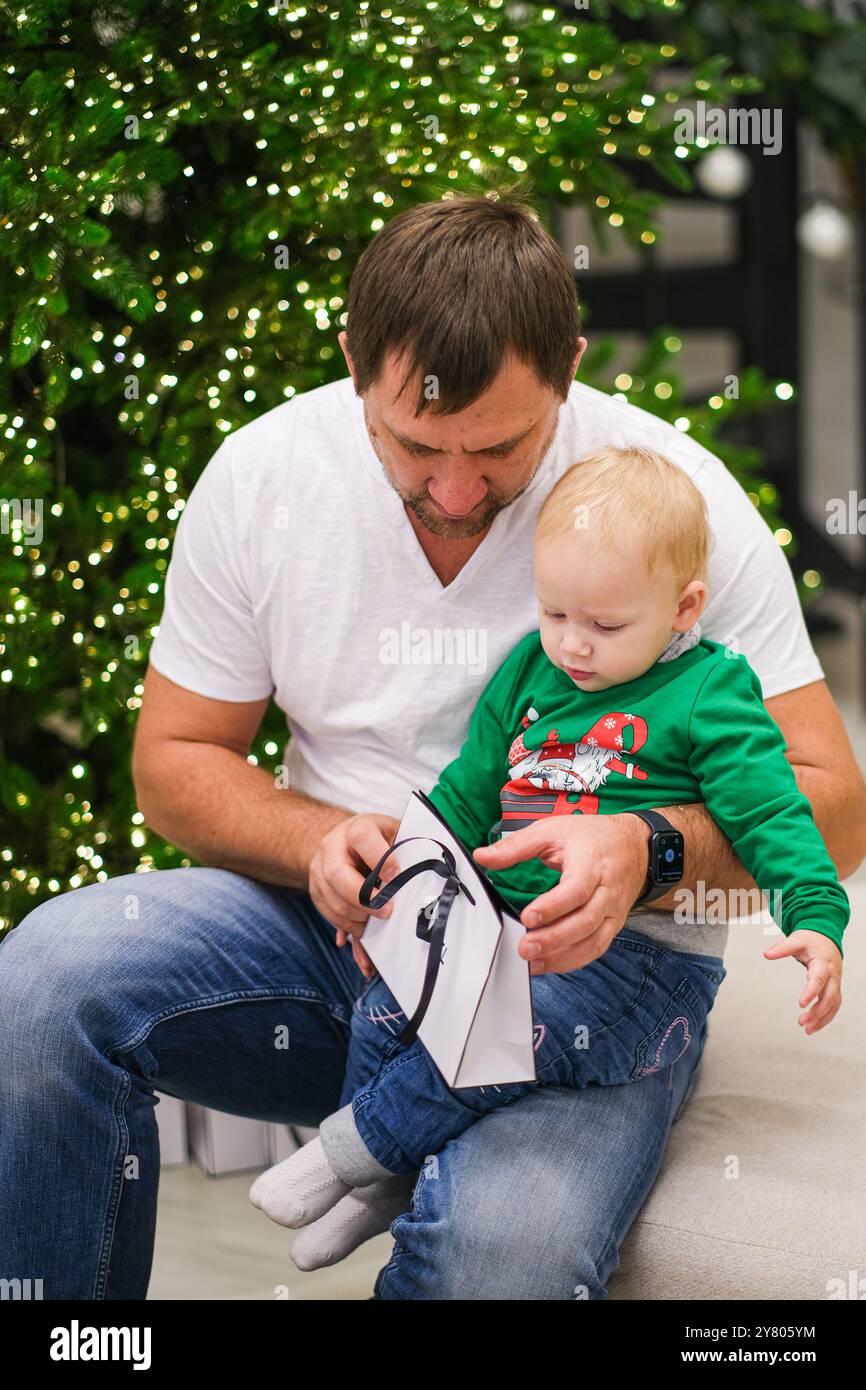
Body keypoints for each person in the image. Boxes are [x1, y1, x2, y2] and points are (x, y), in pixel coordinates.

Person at [1, 192, 863, 1301]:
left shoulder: (669, 498)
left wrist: (647, 847)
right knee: (38, 988)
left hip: (585, 983)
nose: (455, 492)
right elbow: (174, 761)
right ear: (354, 359)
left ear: (569, 369)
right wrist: (322, 839)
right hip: (343, 942)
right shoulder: (264, 477)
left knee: (506, 1259)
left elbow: (831, 802)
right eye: (412, 444)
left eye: (502, 447)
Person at [248, 445, 850, 1270]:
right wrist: (405, 874)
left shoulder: (710, 693)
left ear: (685, 607)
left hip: (639, 961)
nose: (574, 646)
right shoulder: (533, 668)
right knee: (391, 998)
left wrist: (817, 918)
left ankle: (345, 1155)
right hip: (508, 927)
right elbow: (465, 792)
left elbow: (775, 815)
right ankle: (380, 1186)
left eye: (606, 627)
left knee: (506, 1035)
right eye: (555, 613)